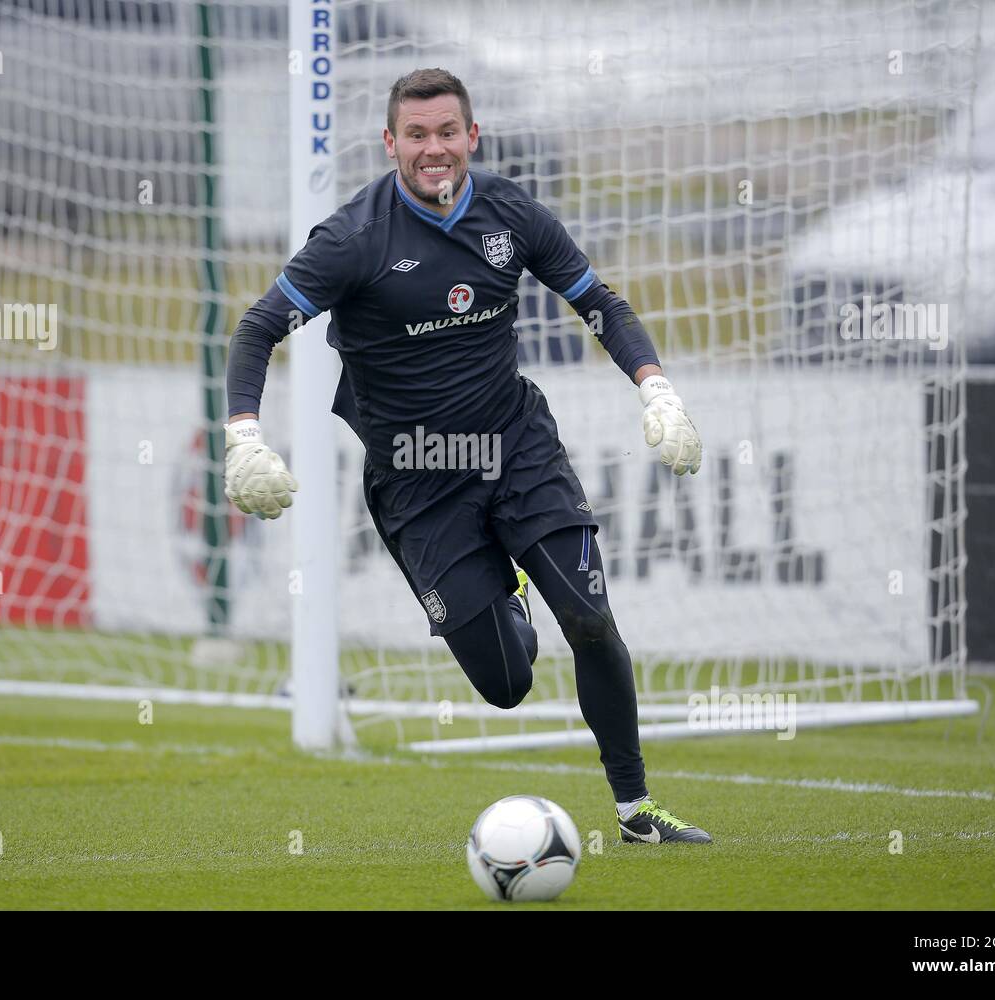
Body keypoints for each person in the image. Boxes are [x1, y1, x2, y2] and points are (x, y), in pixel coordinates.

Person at [224, 68, 710, 844]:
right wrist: (243, 434)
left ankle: (636, 811)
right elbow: (258, 327)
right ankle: (500, 588)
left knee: (588, 619)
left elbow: (599, 302)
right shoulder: (353, 239)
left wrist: (657, 388)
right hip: (418, 482)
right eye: (415, 135)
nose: (434, 149)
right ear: (390, 145)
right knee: (507, 685)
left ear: (471, 136)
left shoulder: (510, 213)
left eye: (447, 131)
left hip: (516, 447)